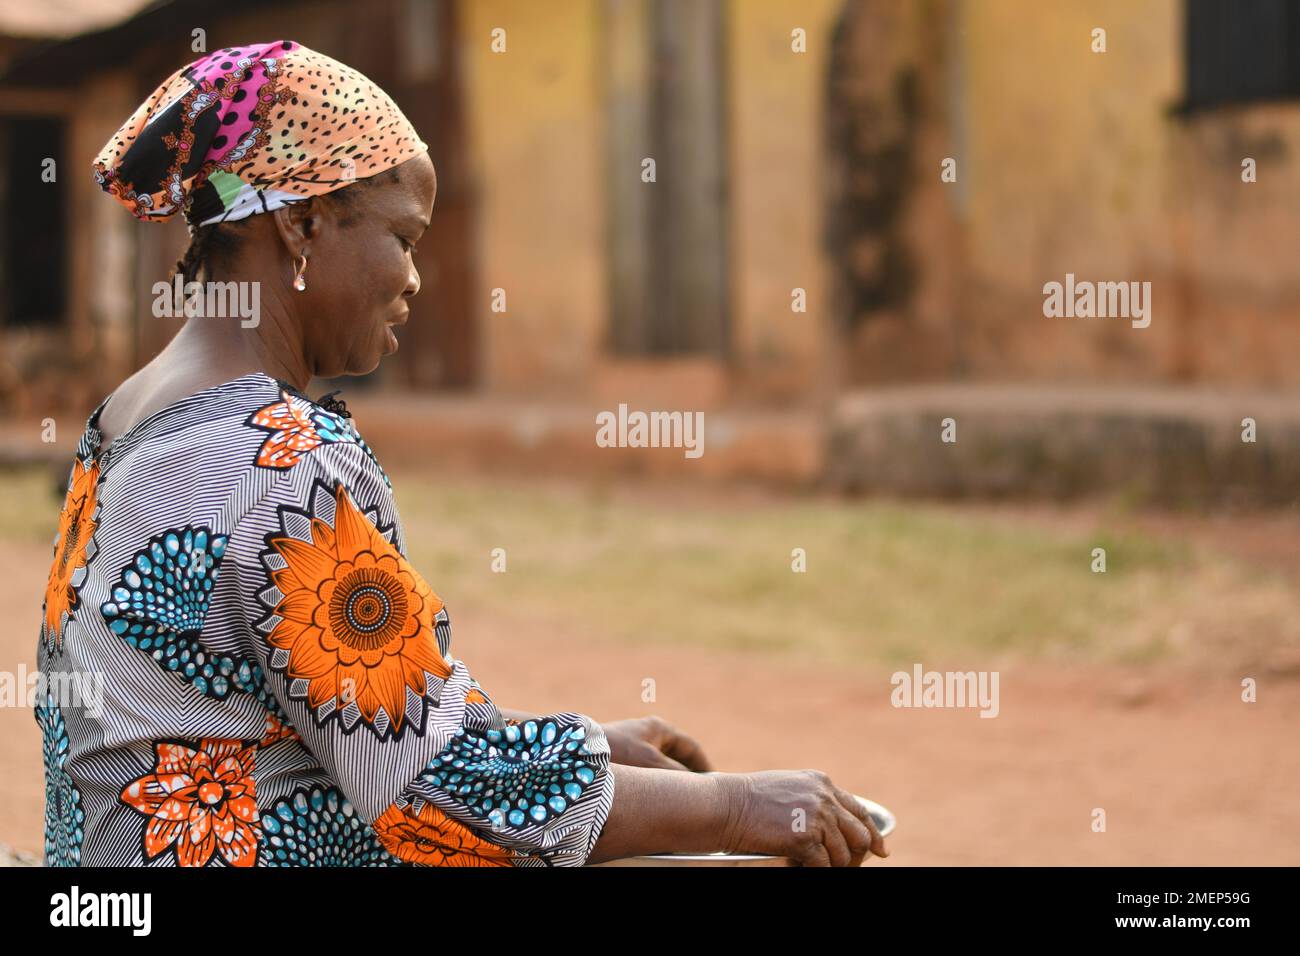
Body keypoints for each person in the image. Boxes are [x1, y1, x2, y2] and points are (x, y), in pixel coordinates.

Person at [37, 39, 887, 867]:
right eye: (403, 239)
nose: (414, 279)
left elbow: (330, 709)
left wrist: (580, 744)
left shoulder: (127, 420)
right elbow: (429, 792)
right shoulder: (284, 461)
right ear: (302, 223)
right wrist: (736, 808)